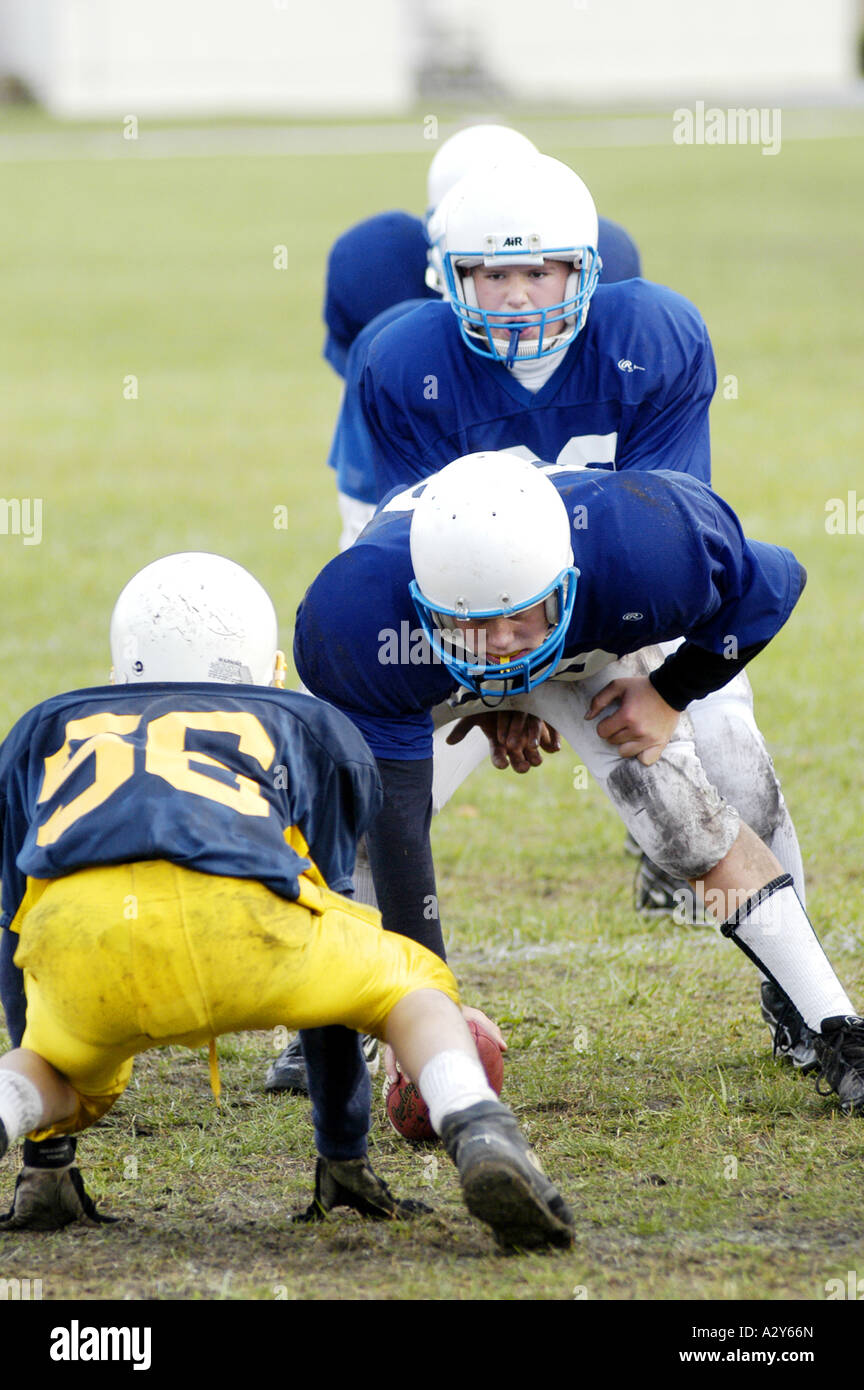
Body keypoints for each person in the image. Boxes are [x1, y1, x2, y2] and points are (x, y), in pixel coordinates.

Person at [321, 152, 813, 1075]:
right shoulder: (405, 358)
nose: (513, 294)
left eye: (536, 268)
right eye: (489, 272)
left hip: (621, 607)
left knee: (736, 775)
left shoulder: (648, 336)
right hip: (469, 624)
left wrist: (665, 690)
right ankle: (346, 1005)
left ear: (585, 269)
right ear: (447, 274)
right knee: (357, 793)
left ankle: (799, 1000)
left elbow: (671, 525)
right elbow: (418, 545)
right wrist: (498, 682)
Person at [0, 551, 574, 1250]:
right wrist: (343, 1150)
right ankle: (478, 1125)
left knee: (52, 1073)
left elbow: (13, 925)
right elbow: (325, 921)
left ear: (120, 670)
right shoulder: (306, 723)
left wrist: (48, 1144)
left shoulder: (42, 728)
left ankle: (20, 1126)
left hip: (80, 942)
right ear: (269, 668)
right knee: (419, 988)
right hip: (248, 921)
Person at [291, 454, 864, 1135]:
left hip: (586, 646)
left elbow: (772, 581)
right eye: (478, 625)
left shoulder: (644, 548)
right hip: (428, 667)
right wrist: (424, 1015)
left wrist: (669, 691)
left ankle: (838, 1026)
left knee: (685, 820)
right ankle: (345, 1022)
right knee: (351, 831)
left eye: (520, 619)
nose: (501, 647)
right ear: (425, 602)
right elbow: (399, 825)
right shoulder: (358, 617)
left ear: (567, 580)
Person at [323, 125, 642, 550]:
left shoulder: (616, 295)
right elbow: (373, 514)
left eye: (537, 272)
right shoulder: (393, 333)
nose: (517, 296)